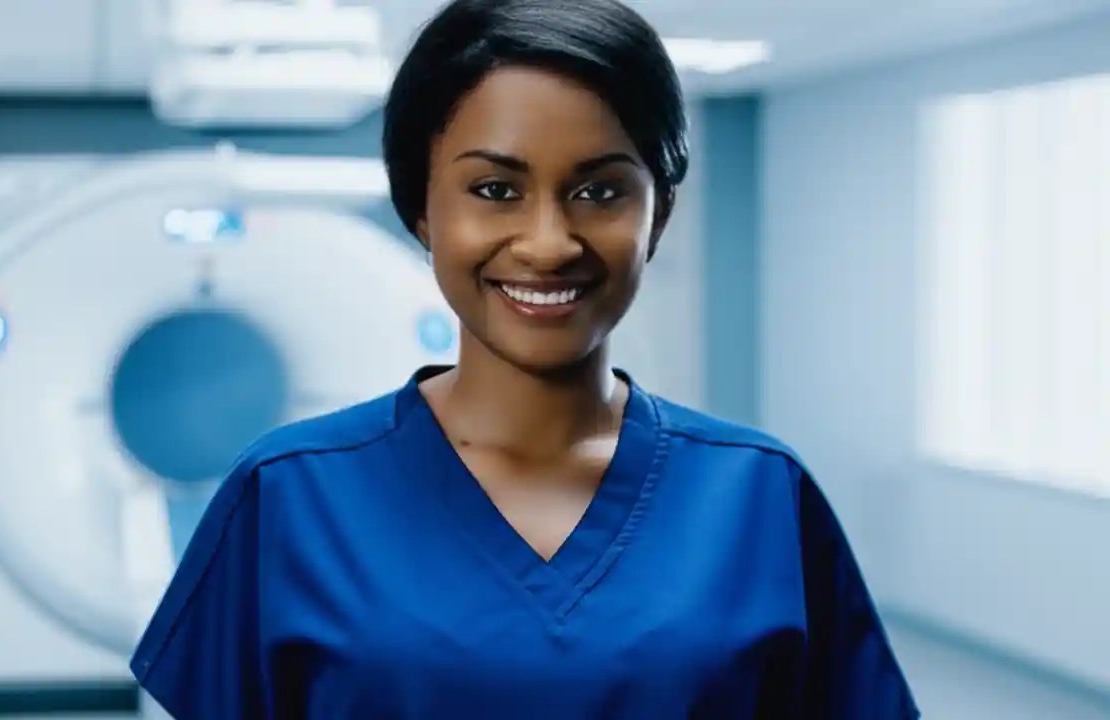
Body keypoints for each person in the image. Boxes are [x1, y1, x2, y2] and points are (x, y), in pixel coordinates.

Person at [129, 0, 920, 717]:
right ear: (421, 208)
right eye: (496, 191)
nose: (548, 244)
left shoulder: (757, 495)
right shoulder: (289, 495)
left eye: (600, 192)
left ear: (658, 214)